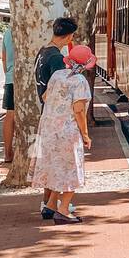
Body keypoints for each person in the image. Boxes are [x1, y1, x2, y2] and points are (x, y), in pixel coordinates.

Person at [28, 43, 95, 225]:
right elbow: (79, 110)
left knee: (57, 167)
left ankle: (50, 205)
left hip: (48, 127)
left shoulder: (57, 75)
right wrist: (85, 134)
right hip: (67, 130)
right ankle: (64, 210)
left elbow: (45, 97)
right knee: (71, 170)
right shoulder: (80, 81)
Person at [1, 16, 13, 165]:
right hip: (29, 78)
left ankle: (8, 153)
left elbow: (4, 58)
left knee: (10, 115)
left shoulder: (8, 33)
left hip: (11, 78)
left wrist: (8, 74)